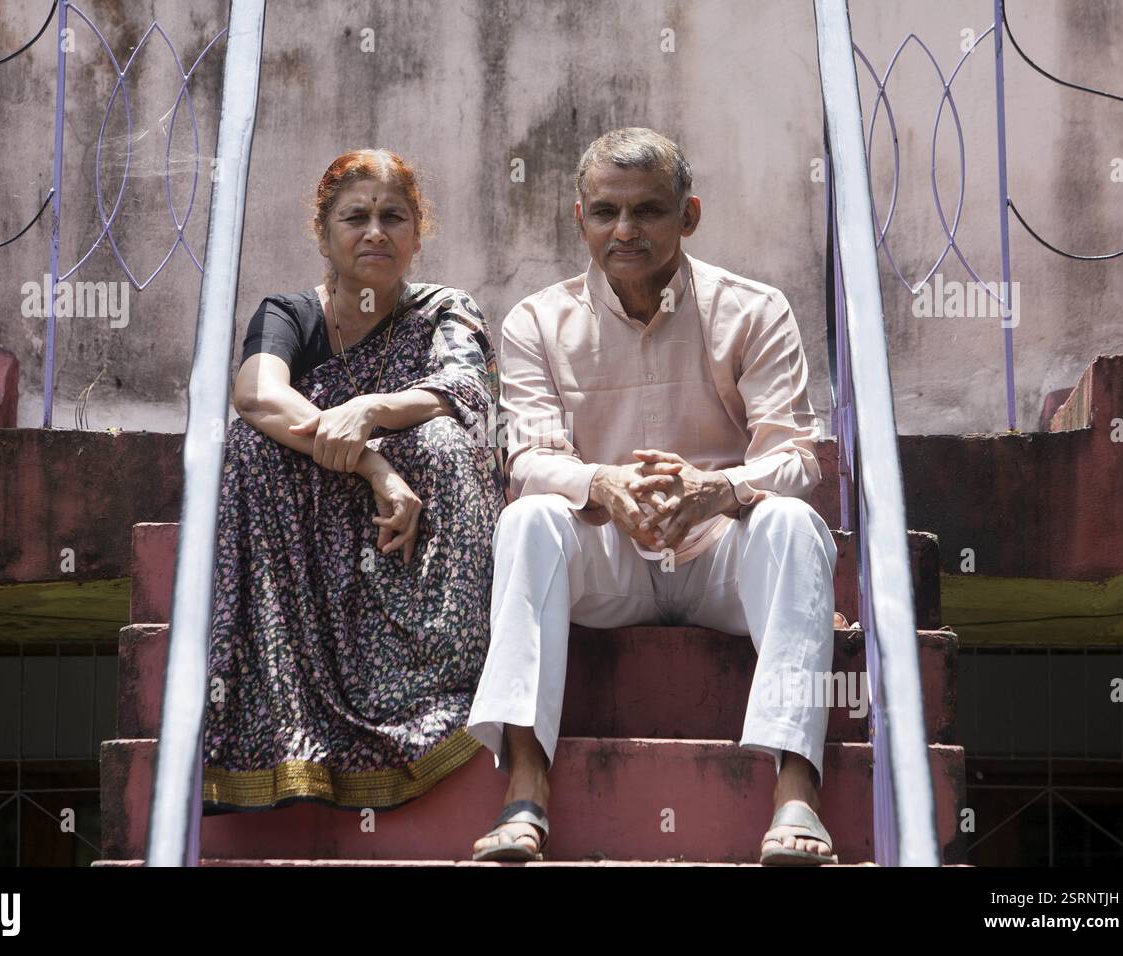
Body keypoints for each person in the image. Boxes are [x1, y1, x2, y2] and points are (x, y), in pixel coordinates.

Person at [466, 127, 841, 864]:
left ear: (688, 216)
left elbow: (795, 458)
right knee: (529, 518)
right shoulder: (537, 322)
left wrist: (718, 490)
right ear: (580, 220)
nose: (625, 231)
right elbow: (529, 459)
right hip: (606, 558)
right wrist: (601, 485)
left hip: (719, 561)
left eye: (648, 211)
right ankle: (525, 789)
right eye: (605, 212)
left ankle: (796, 791)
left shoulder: (753, 310)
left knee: (794, 522)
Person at [202, 149, 505, 813]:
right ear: (323, 234)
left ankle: (440, 681)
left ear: (417, 234)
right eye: (356, 217)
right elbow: (256, 395)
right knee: (251, 445)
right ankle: (289, 717)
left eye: (393, 216)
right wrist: (371, 463)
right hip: (320, 528)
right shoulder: (291, 314)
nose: (375, 231)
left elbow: (464, 387)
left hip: (413, 539)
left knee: (445, 437)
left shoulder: (444, 310)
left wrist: (369, 411)